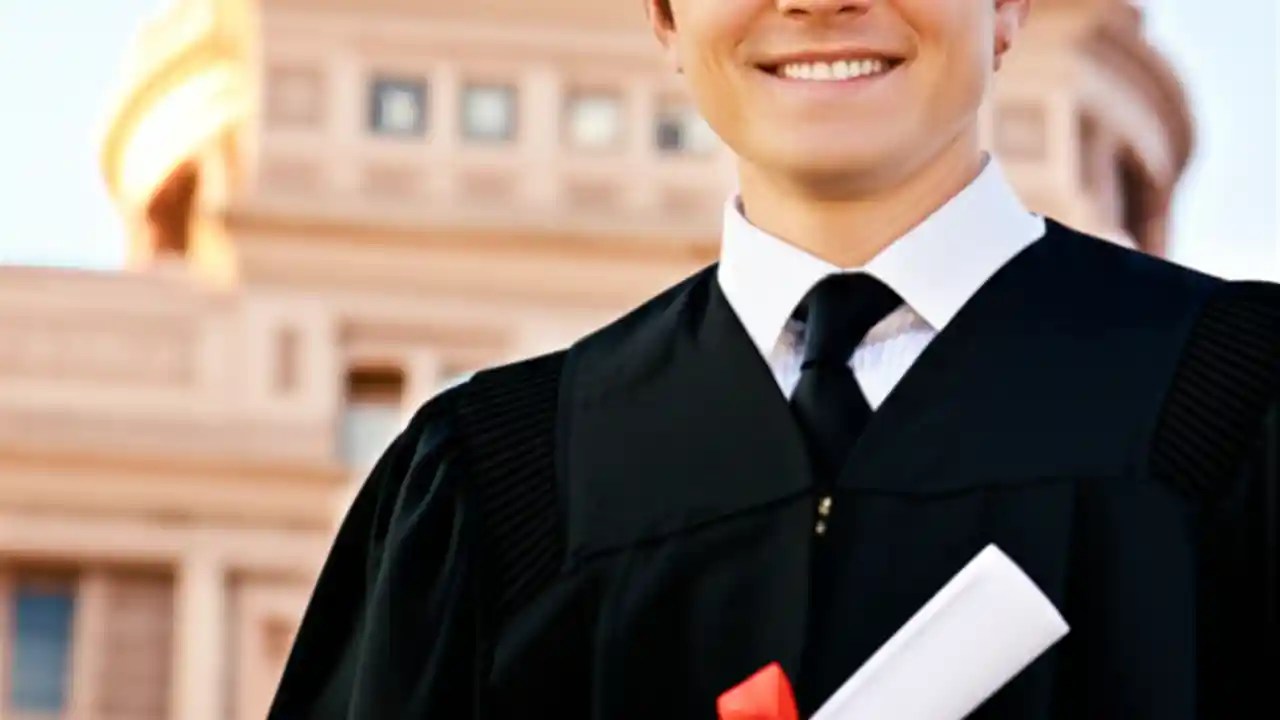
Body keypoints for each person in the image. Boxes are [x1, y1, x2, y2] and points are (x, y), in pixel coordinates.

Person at [269, 1, 1279, 717]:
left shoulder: (1239, 401)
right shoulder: (495, 484)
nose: (817, 1)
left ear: (1007, 4)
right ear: (664, 15)